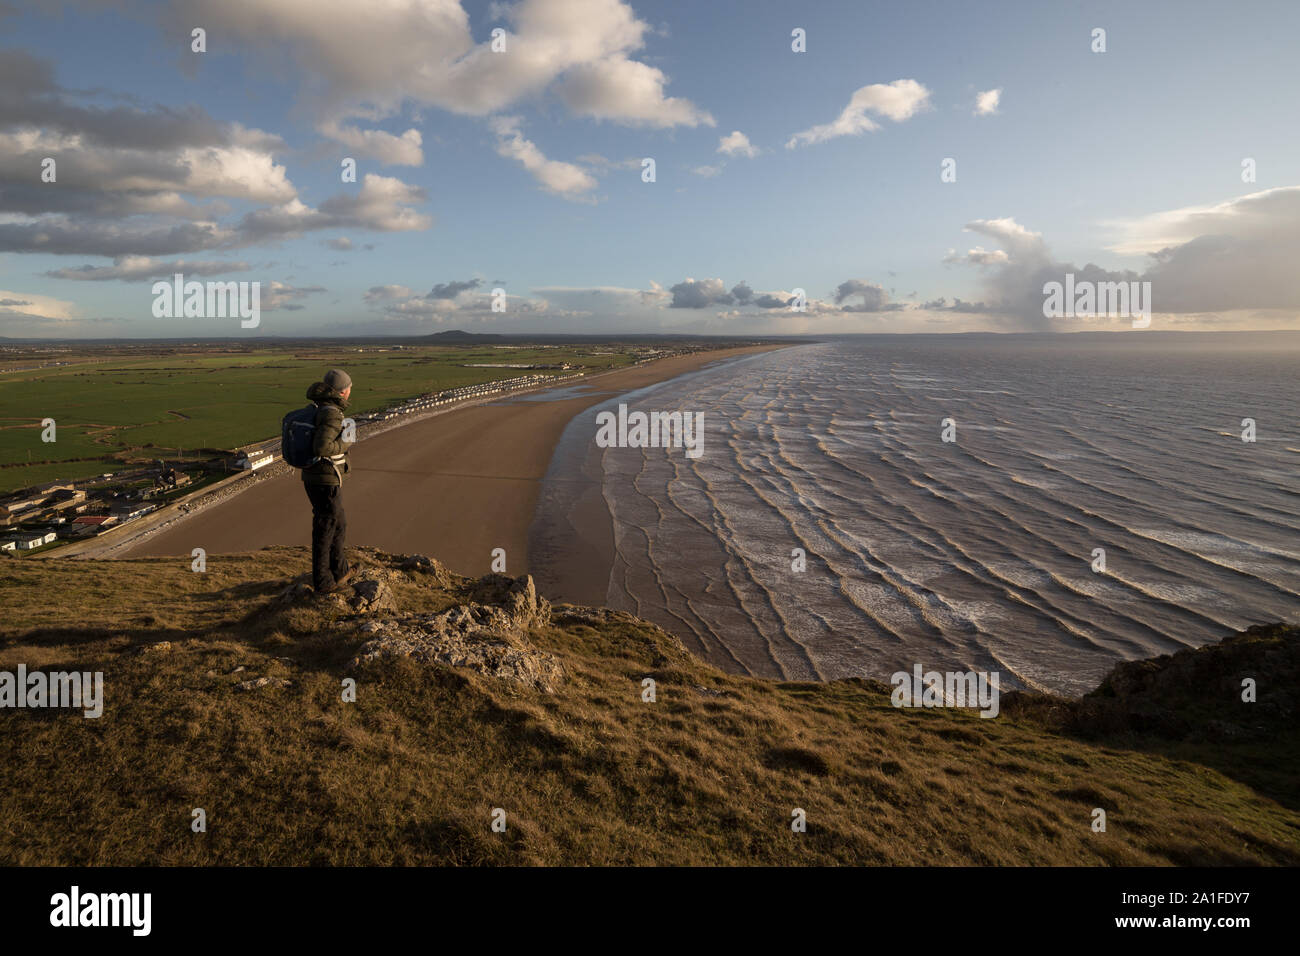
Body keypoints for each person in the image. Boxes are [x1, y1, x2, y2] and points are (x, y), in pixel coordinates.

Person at [302, 368, 355, 593]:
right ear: (343, 391)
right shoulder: (332, 413)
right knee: (326, 528)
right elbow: (322, 447)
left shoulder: (317, 408)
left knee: (338, 523)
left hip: (315, 476)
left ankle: (340, 570)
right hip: (325, 479)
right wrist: (346, 442)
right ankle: (323, 582)